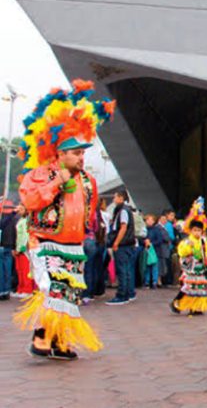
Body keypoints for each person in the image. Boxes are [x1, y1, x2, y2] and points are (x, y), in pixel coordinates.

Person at [13, 79, 113, 360]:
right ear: (60, 153)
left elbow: (89, 212)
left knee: (69, 293)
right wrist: (57, 181)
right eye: (77, 153)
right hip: (44, 242)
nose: (82, 157)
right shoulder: (41, 173)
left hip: (74, 246)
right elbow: (30, 201)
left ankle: (59, 340)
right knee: (52, 290)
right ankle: (42, 337)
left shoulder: (90, 181)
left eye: (83, 153)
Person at [170, 197, 207, 315]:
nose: (197, 233)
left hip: (200, 267)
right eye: (195, 230)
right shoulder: (187, 241)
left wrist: (206, 256)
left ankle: (196, 306)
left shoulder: (203, 240)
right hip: (190, 267)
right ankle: (177, 302)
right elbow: (181, 252)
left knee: (199, 287)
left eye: (199, 231)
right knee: (188, 287)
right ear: (191, 231)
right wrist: (188, 249)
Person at [106, 190, 136, 305]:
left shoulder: (123, 211)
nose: (114, 200)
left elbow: (123, 227)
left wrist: (116, 242)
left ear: (121, 198)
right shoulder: (127, 210)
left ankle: (121, 295)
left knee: (122, 269)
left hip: (123, 244)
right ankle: (128, 292)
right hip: (128, 244)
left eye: (115, 197)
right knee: (127, 269)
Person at [13, 204, 35, 298]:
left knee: (26, 270)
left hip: (24, 249)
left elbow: (26, 235)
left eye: (21, 209)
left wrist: (22, 248)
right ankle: (20, 289)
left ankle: (28, 289)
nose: (19, 210)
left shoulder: (27, 220)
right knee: (20, 270)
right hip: (18, 247)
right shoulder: (21, 219)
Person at [0, 201, 18, 300]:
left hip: (3, 246)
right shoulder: (13, 219)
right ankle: (6, 291)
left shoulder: (5, 220)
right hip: (9, 246)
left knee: (2, 271)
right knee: (7, 270)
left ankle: (3, 291)